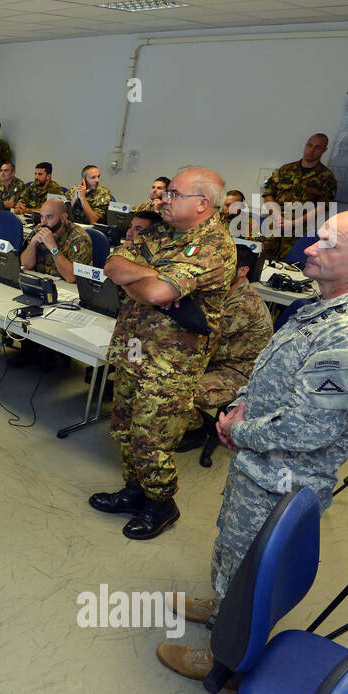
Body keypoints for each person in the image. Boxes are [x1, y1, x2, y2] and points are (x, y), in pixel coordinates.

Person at [157, 209, 348, 681]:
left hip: (282, 478)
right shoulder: (323, 305)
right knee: (235, 550)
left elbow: (309, 430)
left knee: (255, 574)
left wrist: (235, 430)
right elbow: (272, 371)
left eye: (328, 243)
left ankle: (224, 659)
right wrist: (240, 405)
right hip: (260, 463)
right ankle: (220, 606)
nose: (309, 247)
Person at [89, 167, 236, 539]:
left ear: (203, 204)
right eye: (166, 193)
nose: (163, 200)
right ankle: (136, 491)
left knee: (151, 436)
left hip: (171, 362)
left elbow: (155, 294)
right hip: (134, 347)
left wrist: (141, 283)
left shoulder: (214, 246)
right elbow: (111, 264)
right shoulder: (160, 231)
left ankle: (161, 503)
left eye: (174, 195)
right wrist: (151, 278)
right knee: (124, 426)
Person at [178, 242, 273, 453]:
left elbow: (204, 340)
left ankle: (199, 429)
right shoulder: (222, 292)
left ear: (242, 271)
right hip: (215, 359)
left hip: (239, 372)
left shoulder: (244, 304)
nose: (215, 271)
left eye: (225, 266)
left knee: (179, 390)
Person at [261, 133, 338, 251]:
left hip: (299, 231)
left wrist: (292, 223)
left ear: (324, 150)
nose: (311, 150)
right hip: (274, 225)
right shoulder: (286, 169)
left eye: (317, 147)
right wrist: (278, 217)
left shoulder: (326, 178)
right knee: (262, 260)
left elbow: (322, 207)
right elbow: (268, 194)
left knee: (291, 265)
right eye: (309, 145)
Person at [20, 195, 92, 283]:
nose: (43, 222)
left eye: (49, 217)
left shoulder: (79, 237)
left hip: (67, 288)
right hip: (42, 282)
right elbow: (25, 265)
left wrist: (53, 248)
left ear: (63, 218)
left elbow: (72, 277)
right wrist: (32, 244)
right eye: (42, 216)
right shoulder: (40, 229)